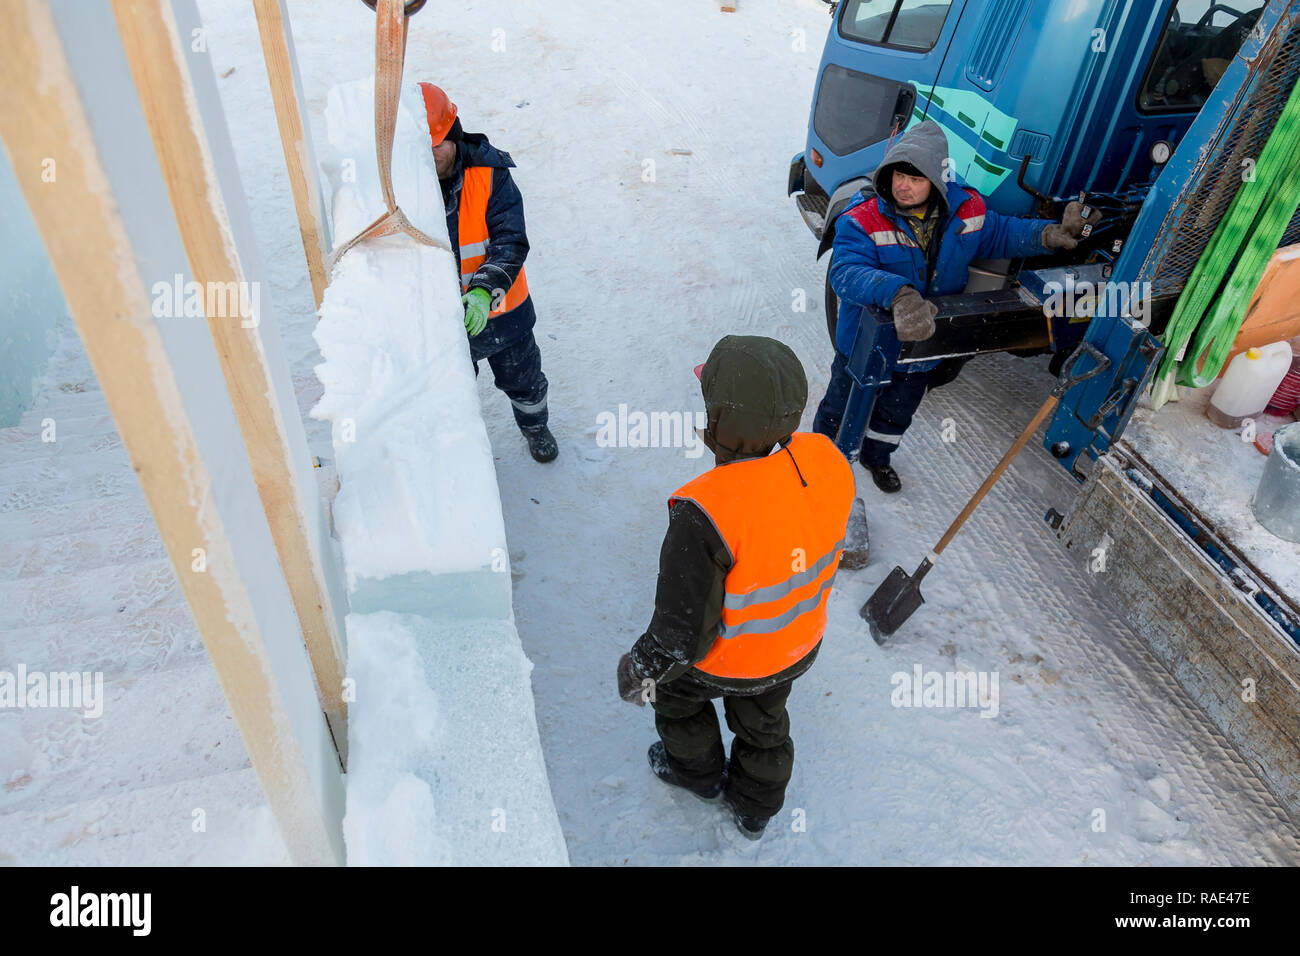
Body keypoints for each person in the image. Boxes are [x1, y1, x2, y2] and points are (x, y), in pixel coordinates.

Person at [617, 335, 856, 840]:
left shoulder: (704, 512)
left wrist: (641, 671)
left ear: (720, 424)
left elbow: (682, 635)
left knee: (678, 703)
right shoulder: (827, 461)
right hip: (793, 646)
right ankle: (755, 809)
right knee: (765, 724)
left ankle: (700, 779)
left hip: (722, 662)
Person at [812, 120, 1099, 492]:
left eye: (915, 179)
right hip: (865, 343)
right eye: (899, 175)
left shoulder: (967, 209)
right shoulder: (861, 218)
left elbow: (1001, 234)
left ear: (936, 180)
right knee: (843, 402)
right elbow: (847, 273)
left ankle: (876, 457)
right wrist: (897, 293)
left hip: (925, 342)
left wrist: (1046, 235)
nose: (903, 185)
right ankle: (818, 460)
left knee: (898, 409)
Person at [421, 83, 557, 463]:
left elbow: (511, 239)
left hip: (503, 316)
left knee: (525, 382)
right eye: (423, 146)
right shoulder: (406, 186)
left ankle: (535, 428)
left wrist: (484, 289)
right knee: (452, 394)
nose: (432, 155)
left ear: (454, 134)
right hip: (445, 324)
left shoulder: (489, 174)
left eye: (439, 144)